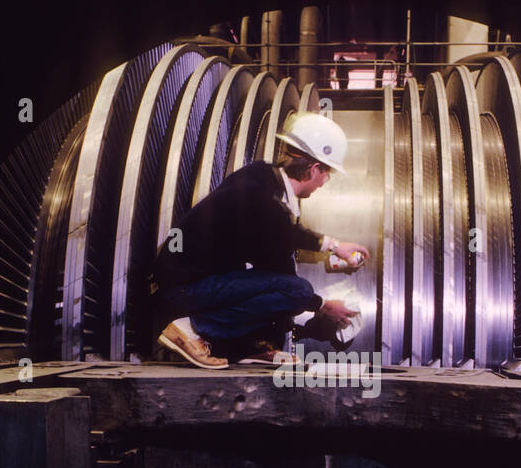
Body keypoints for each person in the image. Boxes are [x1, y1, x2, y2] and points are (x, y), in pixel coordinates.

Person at [150, 111, 371, 368]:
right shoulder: (261, 196)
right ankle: (191, 330)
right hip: (181, 288)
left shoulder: (263, 181)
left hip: (193, 283)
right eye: (327, 173)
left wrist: (295, 324)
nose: (325, 181)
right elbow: (282, 244)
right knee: (298, 290)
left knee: (291, 287)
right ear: (313, 169)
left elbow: (278, 272)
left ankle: (248, 346)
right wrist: (322, 301)